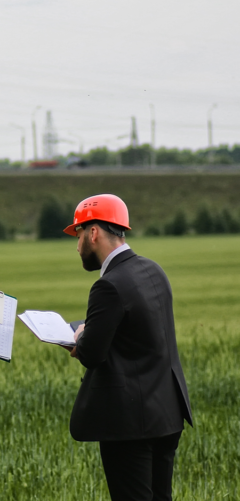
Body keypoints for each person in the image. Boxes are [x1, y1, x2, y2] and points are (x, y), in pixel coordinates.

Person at [64, 194, 193, 501]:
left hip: (130, 423)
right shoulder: (153, 270)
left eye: (79, 234)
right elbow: (139, 335)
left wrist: (80, 336)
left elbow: (92, 354)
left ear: (93, 232)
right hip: (167, 413)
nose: (77, 243)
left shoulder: (108, 284)